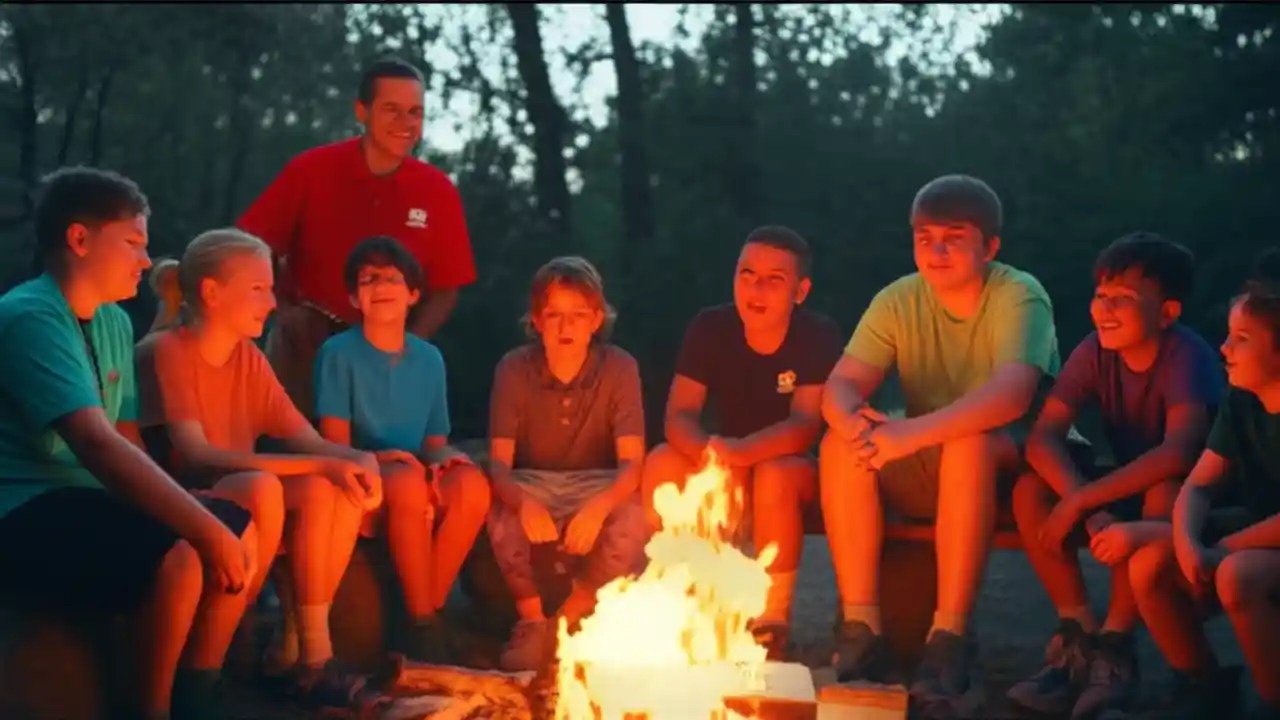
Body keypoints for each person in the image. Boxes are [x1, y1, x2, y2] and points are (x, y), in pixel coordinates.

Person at [0, 167, 268, 720]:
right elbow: (96, 444)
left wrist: (188, 509)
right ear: (79, 239)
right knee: (184, 551)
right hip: (25, 504)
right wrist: (200, 527)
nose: (146, 261)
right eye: (133, 243)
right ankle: (149, 708)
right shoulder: (29, 317)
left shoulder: (116, 323)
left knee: (240, 523)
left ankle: (198, 689)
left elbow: (126, 437)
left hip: (88, 499)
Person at [820, 174, 1061, 713]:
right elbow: (841, 385)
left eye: (955, 238)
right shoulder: (899, 298)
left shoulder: (1019, 294)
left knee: (968, 443)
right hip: (928, 454)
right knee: (840, 445)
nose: (937, 251)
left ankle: (949, 639)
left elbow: (1012, 396)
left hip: (1015, 464)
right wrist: (854, 422)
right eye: (925, 238)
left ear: (990, 247)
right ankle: (862, 631)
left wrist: (907, 433)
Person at [134, 228, 384, 710]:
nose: (272, 303)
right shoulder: (166, 351)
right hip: (184, 502)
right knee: (265, 487)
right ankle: (223, 658)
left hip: (244, 498)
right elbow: (196, 456)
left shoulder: (248, 357)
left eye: (271, 289)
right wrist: (321, 461)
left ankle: (310, 653)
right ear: (211, 292)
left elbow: (305, 437)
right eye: (258, 289)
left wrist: (354, 459)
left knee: (331, 488)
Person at [1005, 233, 1225, 719]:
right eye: (1100, 295)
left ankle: (1115, 647)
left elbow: (1179, 454)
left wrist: (1083, 502)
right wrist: (1083, 501)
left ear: (1167, 312)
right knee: (1030, 489)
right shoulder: (1094, 351)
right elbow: (1042, 438)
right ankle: (1078, 634)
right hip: (1122, 485)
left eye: (1122, 298)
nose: (1104, 308)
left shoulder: (1186, 356)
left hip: (1193, 501)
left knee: (1163, 488)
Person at [641, 225, 843, 659]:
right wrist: (712, 455)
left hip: (793, 470)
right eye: (747, 274)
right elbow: (679, 415)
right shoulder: (710, 327)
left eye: (774, 279)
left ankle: (772, 618)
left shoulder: (816, 335)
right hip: (724, 459)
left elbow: (805, 424)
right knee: (662, 462)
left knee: (775, 475)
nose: (756, 288)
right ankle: (685, 599)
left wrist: (742, 453)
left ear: (800, 291)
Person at [238, 56, 477, 419]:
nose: (405, 123)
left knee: (388, 445)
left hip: (388, 344)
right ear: (361, 111)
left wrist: (409, 346)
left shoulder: (438, 191)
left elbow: (446, 287)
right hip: (310, 338)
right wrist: (282, 310)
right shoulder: (311, 171)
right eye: (391, 110)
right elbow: (251, 245)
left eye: (415, 112)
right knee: (295, 433)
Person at [314, 235, 491, 663]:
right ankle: (425, 628)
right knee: (409, 481)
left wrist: (448, 459)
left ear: (413, 294)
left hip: (413, 466)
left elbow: (433, 444)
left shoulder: (429, 359)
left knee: (472, 484)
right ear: (354, 298)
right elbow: (334, 444)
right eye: (368, 279)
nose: (381, 286)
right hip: (361, 470)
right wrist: (380, 459)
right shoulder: (338, 354)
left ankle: (424, 614)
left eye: (392, 278)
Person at [1125, 249, 1280, 720]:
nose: (1224, 349)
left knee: (1236, 575)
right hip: (1252, 533)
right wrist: (1189, 545)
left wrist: (1221, 551)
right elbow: (1197, 487)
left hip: (1256, 546)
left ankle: (1272, 701)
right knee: (1149, 564)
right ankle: (1204, 684)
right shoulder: (1242, 402)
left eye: (1241, 339)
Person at [485, 256, 648, 672]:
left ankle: (572, 615)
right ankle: (532, 620)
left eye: (578, 315)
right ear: (537, 321)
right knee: (499, 511)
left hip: (596, 480)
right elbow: (499, 465)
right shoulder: (514, 368)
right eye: (554, 314)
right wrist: (523, 503)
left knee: (636, 514)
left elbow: (632, 464)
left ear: (596, 320)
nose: (565, 327)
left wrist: (598, 508)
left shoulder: (619, 367)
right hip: (533, 480)